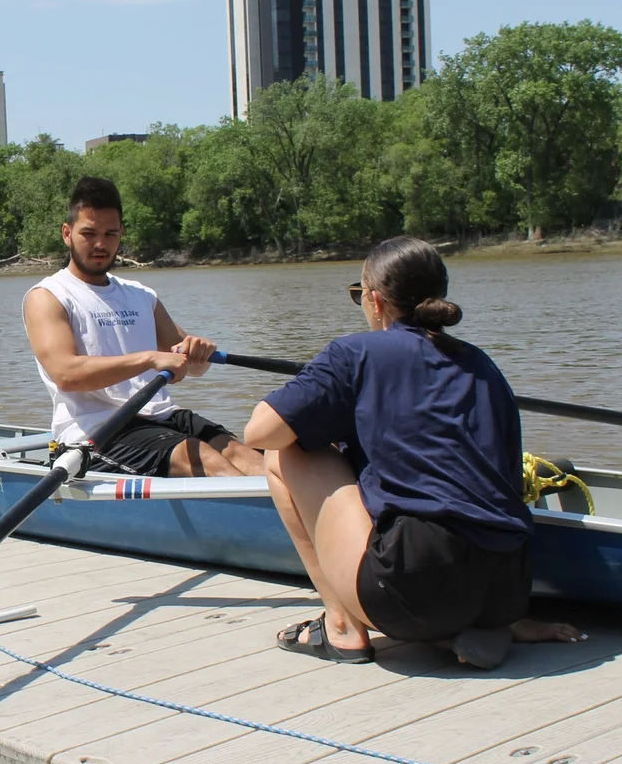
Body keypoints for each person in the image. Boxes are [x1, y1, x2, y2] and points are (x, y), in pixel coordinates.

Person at [242, 237, 581, 668]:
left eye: (359, 296)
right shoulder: (483, 364)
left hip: (414, 586)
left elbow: (260, 432)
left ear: (375, 300)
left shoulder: (355, 353)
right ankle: (478, 627)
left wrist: (322, 404)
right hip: (508, 588)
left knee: (286, 454)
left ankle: (342, 626)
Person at [23, 177, 263, 478]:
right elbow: (67, 375)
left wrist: (199, 351)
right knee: (202, 457)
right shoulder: (48, 297)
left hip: (163, 416)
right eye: (89, 234)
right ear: (67, 234)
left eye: (110, 234)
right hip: (95, 431)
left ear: (121, 233)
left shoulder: (141, 295)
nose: (100, 244)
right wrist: (149, 359)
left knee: (242, 454)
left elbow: (192, 367)